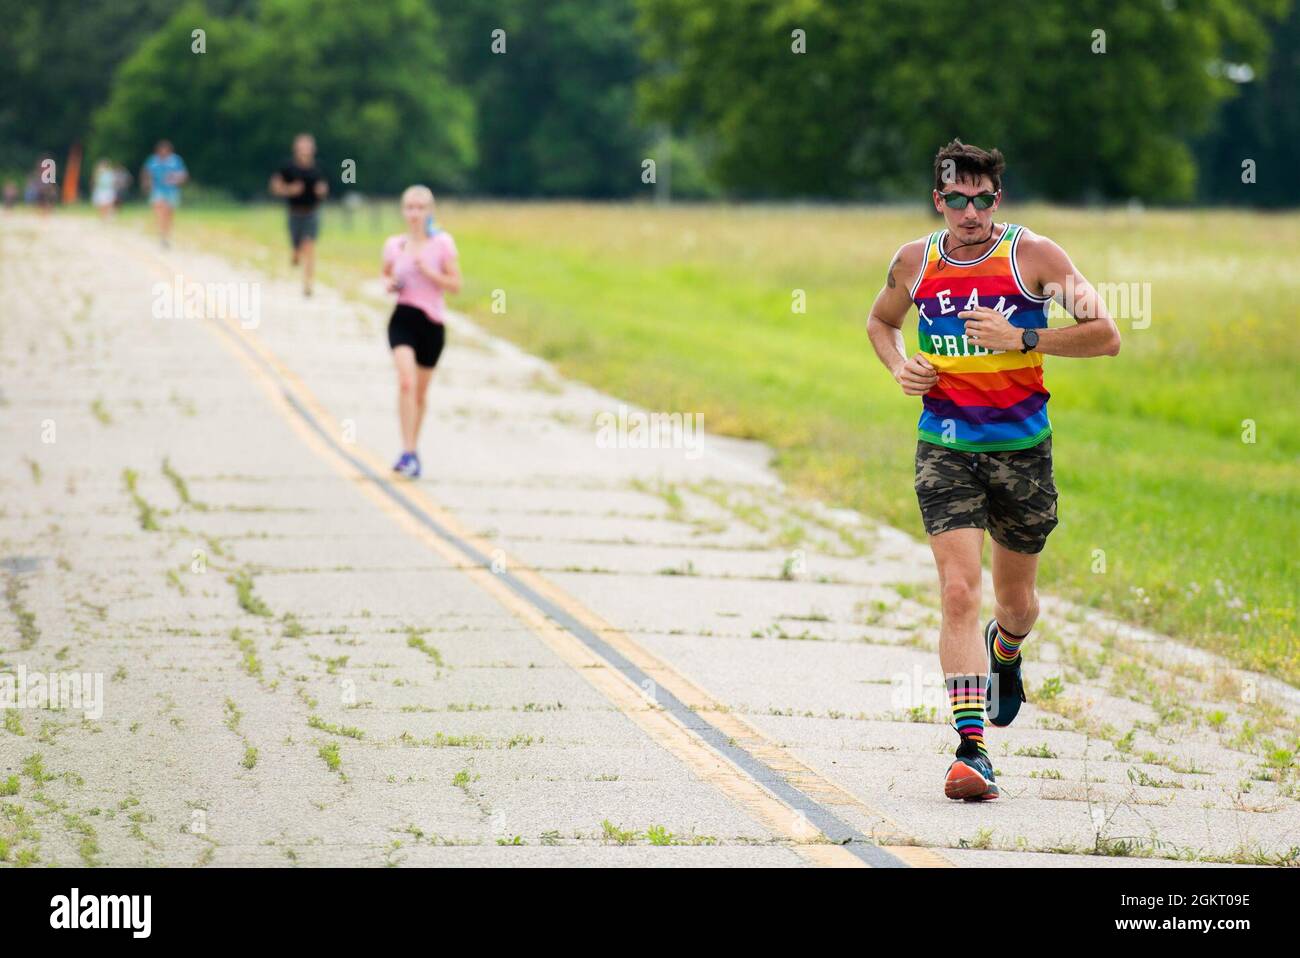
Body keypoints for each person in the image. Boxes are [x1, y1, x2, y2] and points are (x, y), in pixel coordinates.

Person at [865, 140, 1121, 802]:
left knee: (1016, 604)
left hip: (1022, 452)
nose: (970, 212)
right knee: (957, 590)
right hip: (944, 446)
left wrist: (1026, 339)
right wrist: (900, 367)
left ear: (997, 201)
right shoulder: (914, 261)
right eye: (958, 199)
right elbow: (880, 323)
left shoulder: (1035, 256)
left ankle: (1007, 649)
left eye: (982, 200)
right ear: (939, 200)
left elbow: (1106, 334)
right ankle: (972, 750)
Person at [381, 186, 461, 479]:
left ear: (430, 211)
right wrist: (389, 284)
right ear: (403, 211)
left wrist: (429, 272)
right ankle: (407, 451)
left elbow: (455, 285)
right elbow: (386, 272)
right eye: (409, 207)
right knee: (406, 382)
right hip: (403, 318)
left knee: (420, 392)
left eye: (420, 208)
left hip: (432, 323)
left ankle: (414, 448)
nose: (414, 213)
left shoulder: (442, 244)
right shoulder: (395, 245)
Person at [269, 133, 328, 296]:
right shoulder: (287, 167)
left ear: (313, 149)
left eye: (308, 147)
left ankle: (308, 283)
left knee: (309, 246)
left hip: (312, 213)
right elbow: (274, 187)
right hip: (294, 213)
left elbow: (323, 189)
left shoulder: (318, 168)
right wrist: (290, 189)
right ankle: (295, 253)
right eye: (302, 147)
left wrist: (321, 191)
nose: (305, 150)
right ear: (296, 149)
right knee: (297, 250)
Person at [140, 140, 188, 247]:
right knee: (160, 211)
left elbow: (183, 175)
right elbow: (146, 172)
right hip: (157, 190)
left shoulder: (176, 160)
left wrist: (175, 178)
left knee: (168, 215)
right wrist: (146, 183)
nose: (164, 152)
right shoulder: (153, 160)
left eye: (166, 150)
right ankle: (162, 235)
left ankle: (166, 235)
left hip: (171, 191)